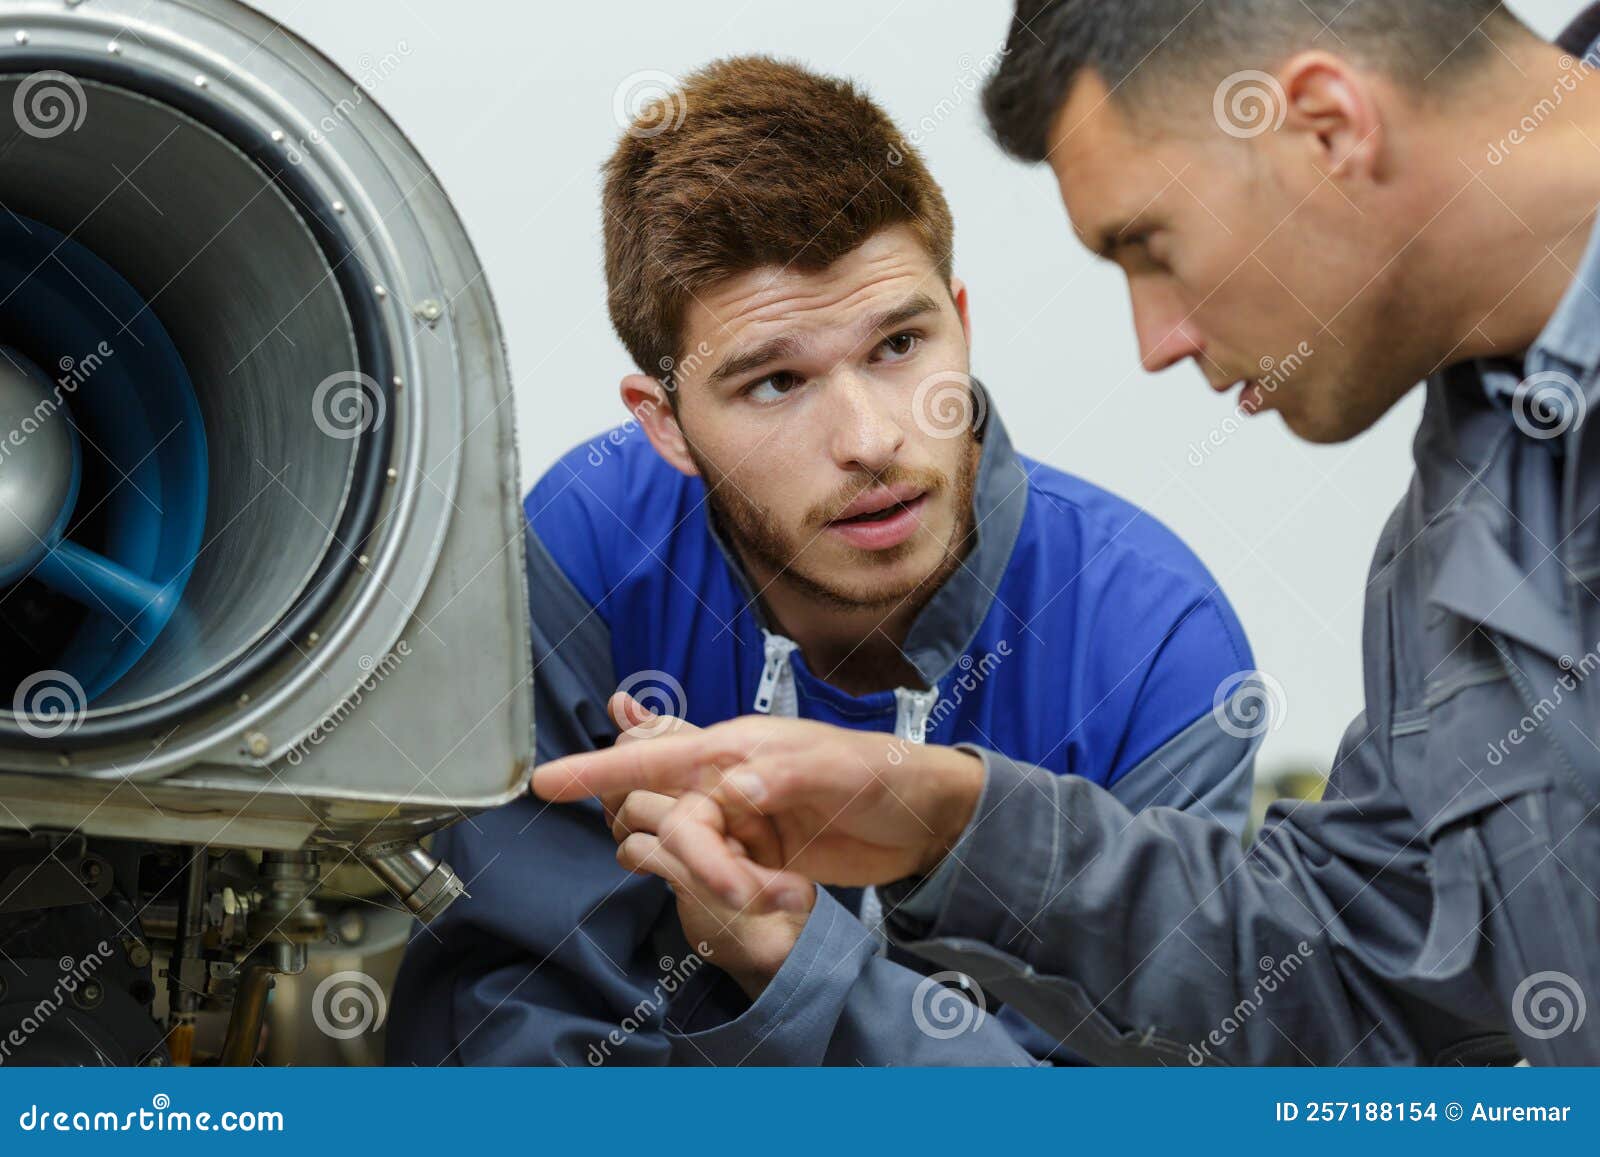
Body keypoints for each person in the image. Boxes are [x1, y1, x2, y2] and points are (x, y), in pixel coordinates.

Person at [533, 2, 1600, 1065]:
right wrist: (954, 823)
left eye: (1148, 246)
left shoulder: (1155, 628)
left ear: (1325, 124)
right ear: (661, 416)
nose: (1155, 340)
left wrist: (819, 973)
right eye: (773, 381)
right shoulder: (1470, 511)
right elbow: (1358, 981)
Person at [390, 55, 1264, 1066]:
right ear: (664, 422)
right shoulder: (584, 549)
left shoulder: (1159, 652)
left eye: (898, 346)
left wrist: (799, 962)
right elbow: (512, 1039)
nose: (871, 439)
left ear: (962, 324)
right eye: (775, 383)